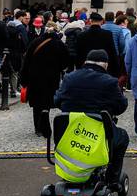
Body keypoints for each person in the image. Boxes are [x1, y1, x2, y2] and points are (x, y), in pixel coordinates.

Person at [52, 49, 129, 188]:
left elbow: (57, 100)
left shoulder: (69, 77)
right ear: (105, 65)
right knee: (122, 137)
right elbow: (121, 106)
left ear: (85, 62)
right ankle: (113, 178)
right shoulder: (109, 82)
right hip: (97, 134)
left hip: (71, 132)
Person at [20, 20, 72, 139]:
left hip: (35, 78)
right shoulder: (59, 44)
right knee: (46, 104)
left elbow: (27, 61)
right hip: (51, 79)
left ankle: (37, 128)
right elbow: (65, 62)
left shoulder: (35, 42)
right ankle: (44, 127)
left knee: (37, 104)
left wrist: (24, 79)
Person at [74, 12, 124, 77]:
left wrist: (78, 69)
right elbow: (112, 53)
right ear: (101, 21)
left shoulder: (82, 35)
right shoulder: (107, 34)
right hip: (103, 68)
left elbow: (78, 54)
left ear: (90, 21)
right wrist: (116, 71)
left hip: (86, 69)